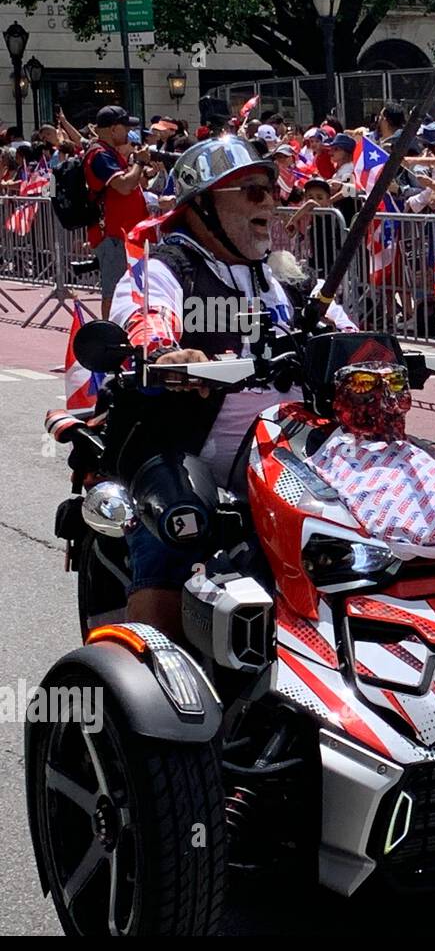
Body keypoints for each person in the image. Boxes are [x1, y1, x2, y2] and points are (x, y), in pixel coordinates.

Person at [109, 135, 356, 638]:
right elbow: (146, 317)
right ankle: (152, 678)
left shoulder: (285, 279)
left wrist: (381, 358)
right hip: (194, 450)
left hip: (296, 457)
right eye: (249, 191)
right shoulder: (166, 267)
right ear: (201, 204)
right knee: (175, 526)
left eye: (270, 189)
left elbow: (351, 337)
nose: (269, 201)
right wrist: (167, 354)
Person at [85, 105, 150, 319]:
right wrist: (139, 162)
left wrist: (141, 167)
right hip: (112, 235)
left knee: (127, 291)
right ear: (113, 129)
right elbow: (123, 186)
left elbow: (133, 183)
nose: (129, 133)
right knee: (113, 292)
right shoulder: (100, 155)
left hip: (124, 234)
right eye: (125, 128)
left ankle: (121, 332)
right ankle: (108, 340)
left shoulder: (109, 153)